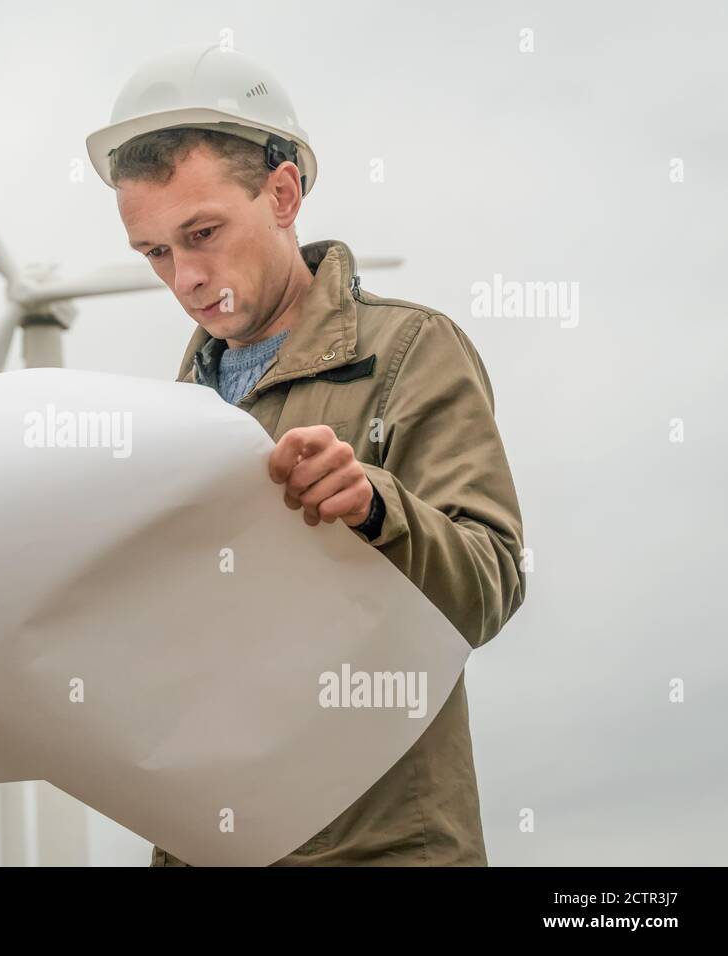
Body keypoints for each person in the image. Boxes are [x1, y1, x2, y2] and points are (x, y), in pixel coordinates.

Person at [86, 43, 528, 866]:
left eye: (203, 232)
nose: (184, 277)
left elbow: (490, 584)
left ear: (283, 194)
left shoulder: (411, 351)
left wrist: (374, 505)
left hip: (382, 849)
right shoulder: (165, 418)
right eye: (155, 253)